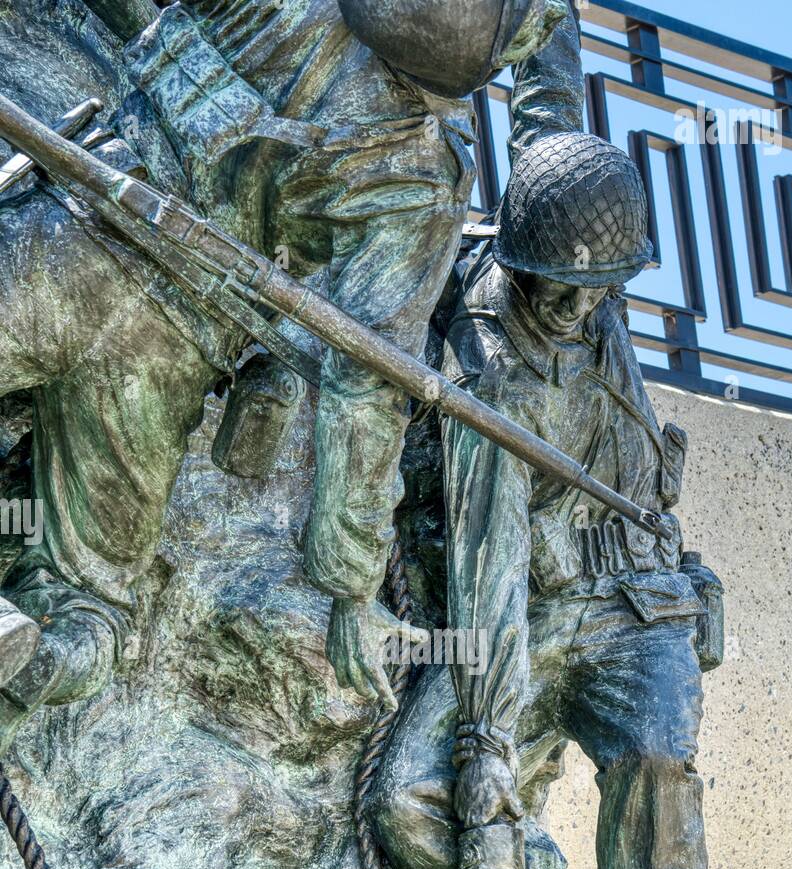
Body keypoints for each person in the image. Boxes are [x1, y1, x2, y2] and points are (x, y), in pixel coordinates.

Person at [0, 0, 568, 747]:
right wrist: (349, 589)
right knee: (89, 600)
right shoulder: (424, 173)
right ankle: (35, 651)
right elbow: (364, 392)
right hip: (167, 345)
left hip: (71, 225)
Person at [370, 11, 722, 869]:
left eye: (597, 292)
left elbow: (545, 106)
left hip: (632, 602)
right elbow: (487, 592)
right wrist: (484, 754)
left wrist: (534, 12)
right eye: (557, 293)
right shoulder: (486, 368)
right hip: (518, 616)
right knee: (409, 794)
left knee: (658, 780)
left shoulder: (568, 221)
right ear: (516, 261)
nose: (578, 313)